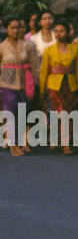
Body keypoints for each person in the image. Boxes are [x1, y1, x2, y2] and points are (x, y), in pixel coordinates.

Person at [39, 21, 78, 155]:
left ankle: (62, 141)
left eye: (62, 31)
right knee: (60, 112)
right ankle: (63, 144)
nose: (59, 34)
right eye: (56, 31)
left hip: (70, 85)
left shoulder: (74, 49)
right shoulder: (49, 50)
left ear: (68, 32)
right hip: (54, 86)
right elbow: (43, 72)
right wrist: (42, 91)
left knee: (69, 114)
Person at [1, 15, 37, 155]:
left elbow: (35, 65)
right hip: (6, 85)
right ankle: (12, 145)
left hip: (24, 84)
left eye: (18, 27)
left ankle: (21, 142)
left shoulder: (29, 45)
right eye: (13, 28)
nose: (16, 30)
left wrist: (36, 82)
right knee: (9, 115)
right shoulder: (2, 46)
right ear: (6, 29)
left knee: (23, 114)